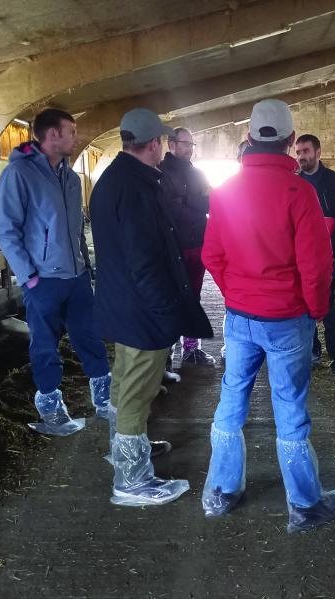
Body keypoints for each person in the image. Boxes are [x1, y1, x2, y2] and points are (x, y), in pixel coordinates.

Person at [200, 99, 335, 531]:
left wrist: (237, 292)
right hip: (287, 319)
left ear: (248, 138)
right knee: (289, 406)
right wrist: (316, 309)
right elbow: (316, 265)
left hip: (241, 317)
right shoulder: (300, 193)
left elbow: (212, 254)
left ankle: (221, 492)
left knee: (231, 400)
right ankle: (303, 503)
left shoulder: (224, 191)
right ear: (288, 142)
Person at [90, 108, 213, 507]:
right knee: (137, 391)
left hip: (122, 304)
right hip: (142, 309)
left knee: (125, 380)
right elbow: (144, 259)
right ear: (157, 144)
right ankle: (131, 480)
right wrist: (164, 312)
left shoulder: (114, 178)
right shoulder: (137, 188)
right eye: (164, 143)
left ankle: (126, 448)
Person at [0, 108, 111, 435]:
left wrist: (85, 265)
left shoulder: (72, 178)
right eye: (71, 131)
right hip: (43, 279)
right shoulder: (19, 175)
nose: (76, 137)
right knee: (45, 343)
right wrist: (29, 275)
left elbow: (76, 229)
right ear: (52, 135)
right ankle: (50, 407)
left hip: (75, 276)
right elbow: (6, 230)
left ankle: (104, 400)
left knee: (89, 336)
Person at [295, 134, 335, 388]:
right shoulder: (292, 182)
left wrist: (332, 249)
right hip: (298, 258)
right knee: (301, 308)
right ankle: (312, 352)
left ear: (318, 153)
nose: (301, 156)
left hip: (325, 257)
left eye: (306, 151)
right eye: (298, 152)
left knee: (328, 308)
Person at [159, 127, 216, 368]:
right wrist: (195, 206)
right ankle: (166, 353)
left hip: (196, 244)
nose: (191, 149)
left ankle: (191, 349)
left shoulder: (198, 173)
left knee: (193, 296)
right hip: (173, 247)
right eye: (186, 144)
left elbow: (210, 202)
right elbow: (169, 209)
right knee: (171, 297)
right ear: (172, 144)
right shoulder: (161, 173)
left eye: (193, 145)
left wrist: (188, 204)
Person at [219, 139, 251, 363]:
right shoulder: (228, 190)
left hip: (242, 278)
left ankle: (234, 349)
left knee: (236, 382)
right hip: (240, 270)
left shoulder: (228, 189)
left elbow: (212, 252)